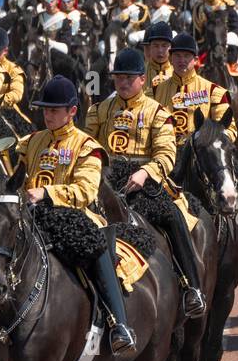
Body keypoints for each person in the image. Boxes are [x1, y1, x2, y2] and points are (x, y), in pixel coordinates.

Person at [17, 76, 136, 355]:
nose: (48, 115)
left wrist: (47, 194)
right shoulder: (32, 141)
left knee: (95, 248)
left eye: (54, 110)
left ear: (72, 111)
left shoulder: (87, 147)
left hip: (74, 217)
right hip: (31, 216)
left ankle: (119, 323)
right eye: (45, 110)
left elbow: (85, 191)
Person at [156, 33, 238, 297]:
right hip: (171, 160)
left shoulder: (215, 92)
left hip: (212, 159)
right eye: (176, 56)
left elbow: (230, 128)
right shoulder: (157, 90)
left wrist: (208, 142)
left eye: (185, 56)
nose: (180, 61)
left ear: (194, 60)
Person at [86, 48, 205, 318]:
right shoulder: (98, 111)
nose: (124, 83)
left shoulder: (158, 112)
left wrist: (145, 173)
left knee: (173, 216)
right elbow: (89, 148)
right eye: (119, 78)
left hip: (143, 182)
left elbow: (166, 155)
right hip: (105, 182)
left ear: (142, 79)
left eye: (129, 78)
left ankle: (192, 287)